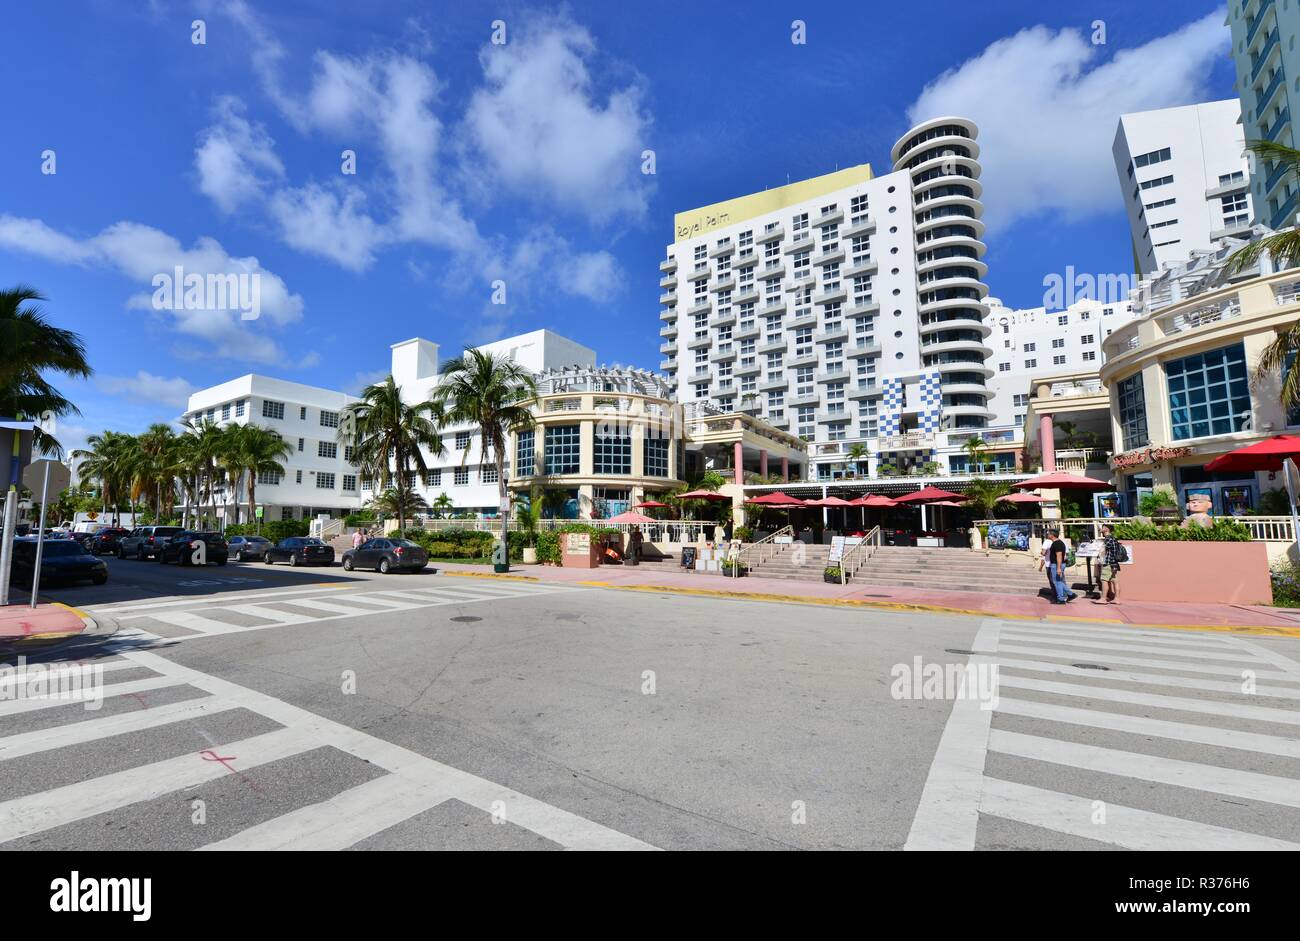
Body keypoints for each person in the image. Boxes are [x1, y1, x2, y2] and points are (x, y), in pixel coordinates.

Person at [1045, 527, 1076, 604]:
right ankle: (1071, 594)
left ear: (1052, 535)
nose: (1047, 534)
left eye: (1048, 533)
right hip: (1057, 564)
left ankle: (1061, 599)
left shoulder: (1057, 544)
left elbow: (1059, 556)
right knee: (1058, 581)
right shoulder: (1057, 543)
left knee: (1057, 582)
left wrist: (1058, 568)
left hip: (1056, 565)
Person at [1096, 524, 1123, 605]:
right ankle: (1117, 599)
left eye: (1103, 527)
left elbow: (1105, 551)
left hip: (1108, 562)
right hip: (1114, 563)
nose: (1101, 528)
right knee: (1115, 581)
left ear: (1107, 529)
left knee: (1104, 580)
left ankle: (1103, 598)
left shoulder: (1108, 539)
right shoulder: (1114, 538)